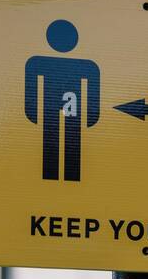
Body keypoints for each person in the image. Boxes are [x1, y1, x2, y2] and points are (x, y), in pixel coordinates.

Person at [25, 19, 100, 181]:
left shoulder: (87, 65)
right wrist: (33, 114)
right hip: (51, 113)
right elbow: (31, 90)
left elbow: (93, 91)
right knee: (51, 145)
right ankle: (52, 174)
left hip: (72, 113)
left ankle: (69, 175)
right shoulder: (37, 62)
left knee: (72, 148)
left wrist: (91, 118)